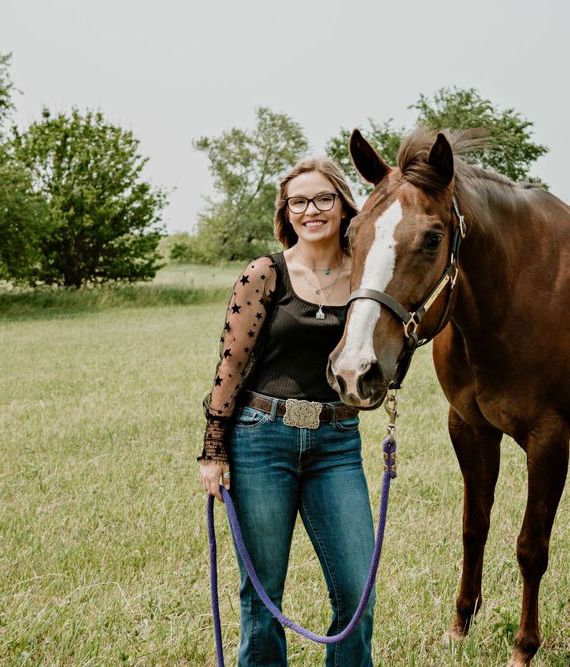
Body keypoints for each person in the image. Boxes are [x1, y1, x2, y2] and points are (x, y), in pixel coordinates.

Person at [198, 157, 375, 666]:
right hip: (260, 439)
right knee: (262, 596)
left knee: (357, 594)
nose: (311, 210)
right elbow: (231, 363)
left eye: (323, 198)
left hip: (337, 443)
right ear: (286, 211)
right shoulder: (265, 273)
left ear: (343, 205)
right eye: (298, 201)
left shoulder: (367, 276)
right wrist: (213, 449)